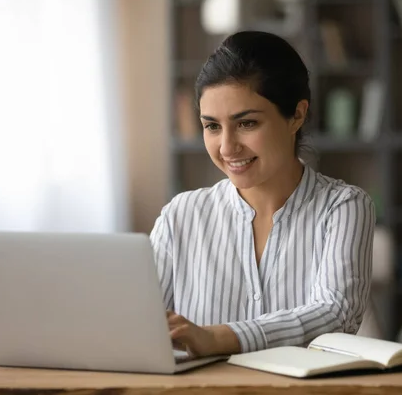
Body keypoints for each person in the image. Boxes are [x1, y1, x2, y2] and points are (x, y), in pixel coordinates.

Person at [150, 31, 375, 357]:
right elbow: (140, 325)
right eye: (212, 126)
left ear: (296, 115)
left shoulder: (343, 207)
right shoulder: (180, 215)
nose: (227, 147)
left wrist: (220, 338)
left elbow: (335, 313)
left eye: (247, 124)